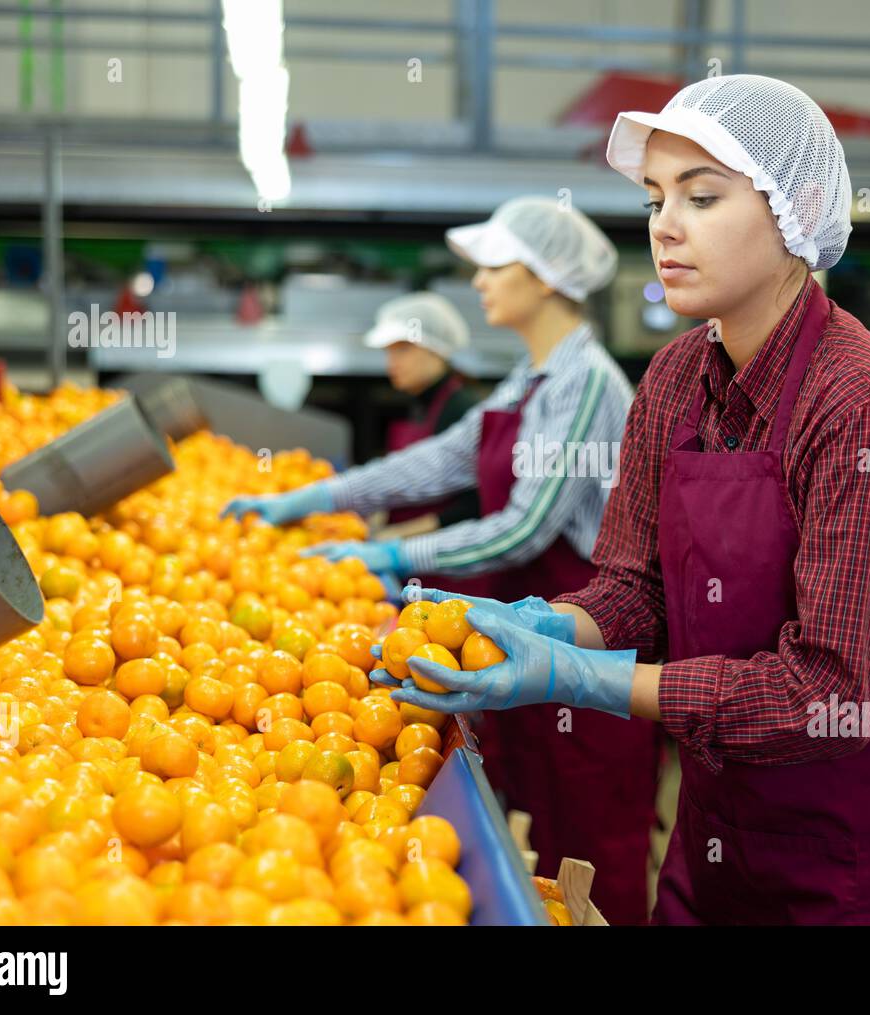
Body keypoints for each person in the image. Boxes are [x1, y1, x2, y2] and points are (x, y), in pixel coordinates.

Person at [387, 75, 870, 926]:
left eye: (703, 196)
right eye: (654, 199)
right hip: (725, 819)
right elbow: (632, 586)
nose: (665, 227)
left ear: (796, 209)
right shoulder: (678, 377)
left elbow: (821, 694)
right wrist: (538, 628)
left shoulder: (867, 410)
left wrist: (590, 678)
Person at [221, 195, 663, 925]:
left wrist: (391, 551)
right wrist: (311, 497)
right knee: (539, 851)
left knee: (591, 849)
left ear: (546, 277)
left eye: (495, 265)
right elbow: (434, 464)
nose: (479, 280)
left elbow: (521, 529)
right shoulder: (531, 380)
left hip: (581, 651)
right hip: (518, 640)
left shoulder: (584, 386)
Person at [363, 292, 481, 540]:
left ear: (435, 350)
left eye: (403, 350)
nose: (391, 363)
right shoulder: (419, 404)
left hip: (445, 566)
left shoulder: (461, 409)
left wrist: (400, 535)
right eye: (388, 352)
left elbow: (475, 502)